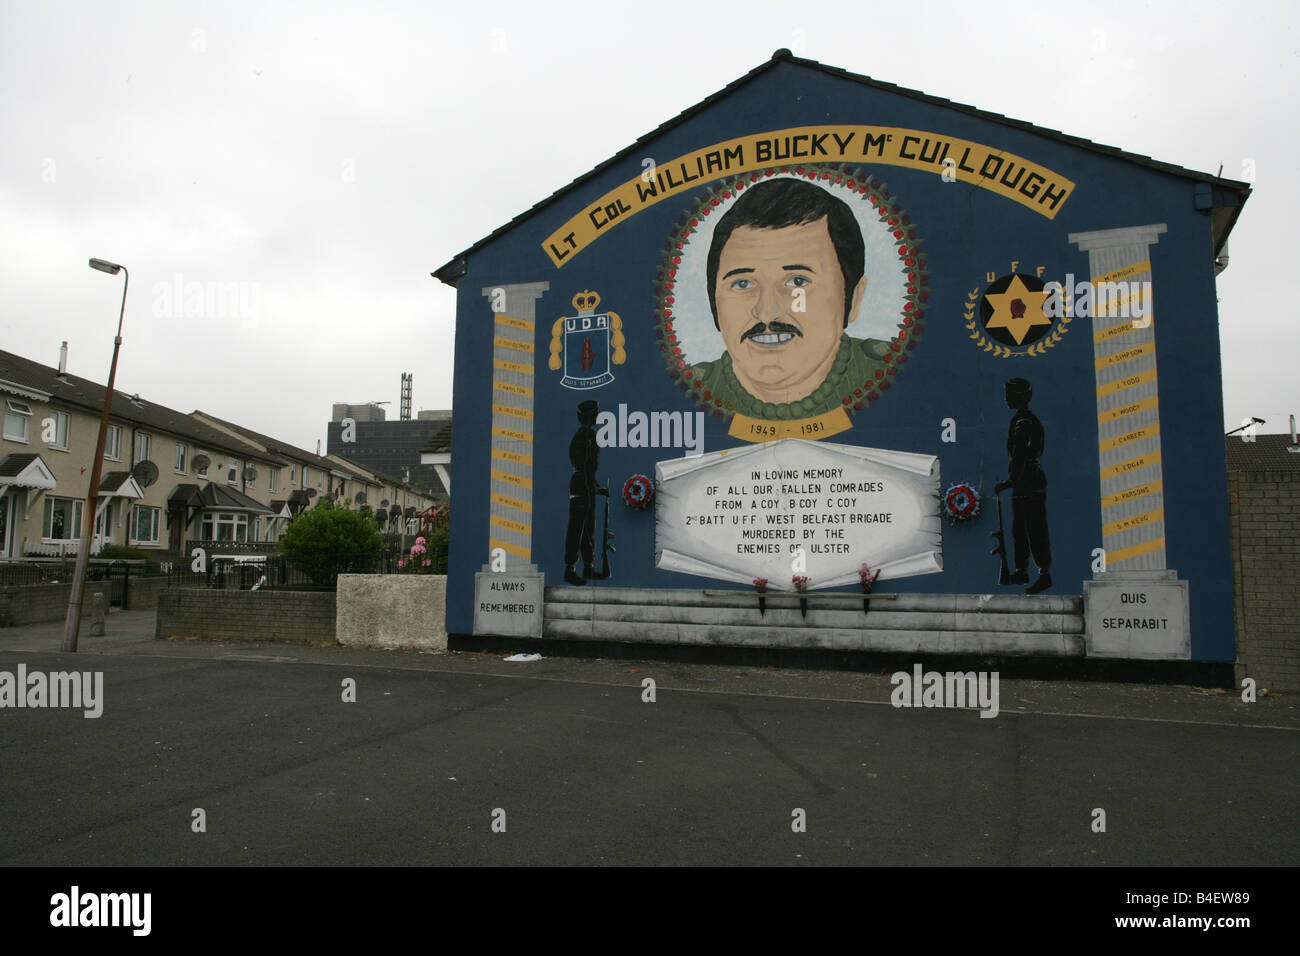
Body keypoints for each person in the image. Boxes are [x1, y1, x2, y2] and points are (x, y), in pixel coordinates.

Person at [690, 177, 892, 420]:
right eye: (742, 283)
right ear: (714, 300)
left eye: (798, 282)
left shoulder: (894, 374)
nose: (766, 312)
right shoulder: (686, 392)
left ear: (854, 298)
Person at [994, 378, 1051, 594]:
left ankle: (1043, 574)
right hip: (1027, 480)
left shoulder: (1023, 423)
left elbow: (1020, 456)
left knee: (1032, 528)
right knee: (1021, 527)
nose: (1006, 398)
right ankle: (1022, 570)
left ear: (1020, 396)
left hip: (1028, 480)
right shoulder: (1024, 419)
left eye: (1010, 394)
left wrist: (1008, 482)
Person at [563, 400, 608, 585]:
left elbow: (589, 468)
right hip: (581, 485)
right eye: (595, 413)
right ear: (589, 416)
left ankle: (588, 568)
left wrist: (596, 487)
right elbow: (582, 467)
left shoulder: (590, 435)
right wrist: (591, 486)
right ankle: (570, 569)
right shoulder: (584, 437)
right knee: (577, 528)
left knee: (589, 528)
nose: (598, 415)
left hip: (587, 485)